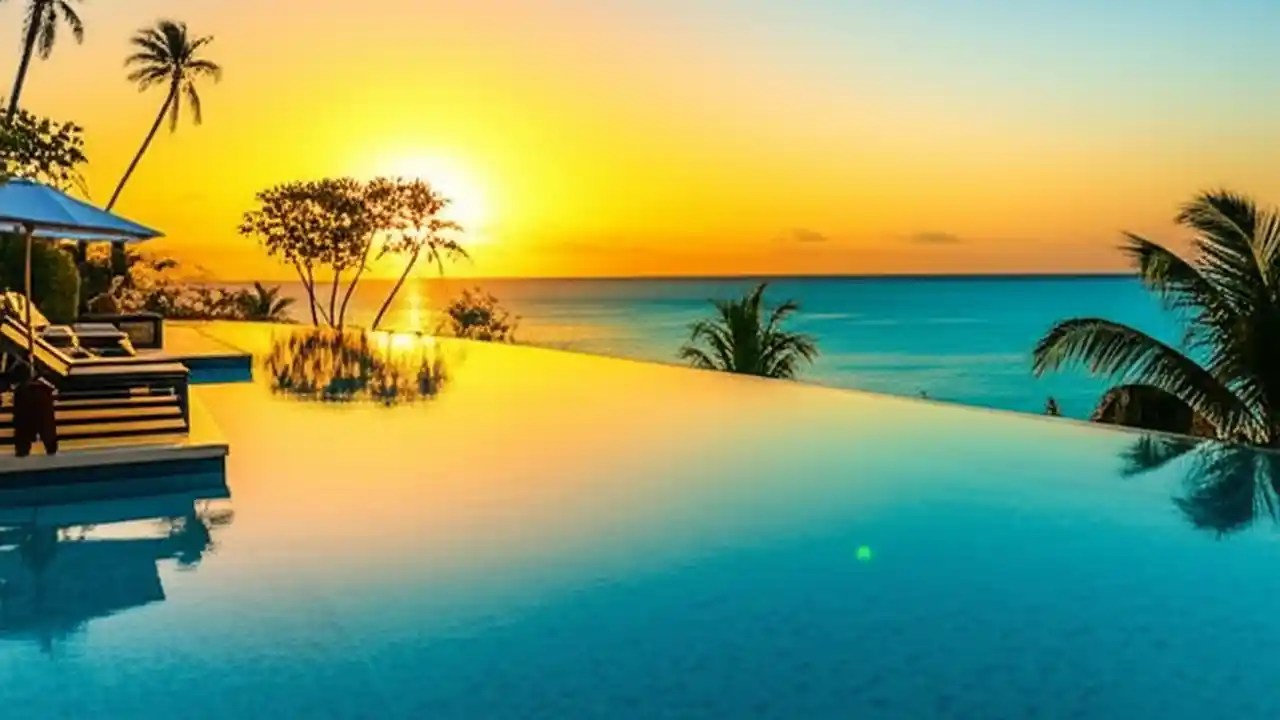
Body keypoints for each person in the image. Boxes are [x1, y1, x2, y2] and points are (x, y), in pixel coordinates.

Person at [11, 362, 57, 457]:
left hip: (38, 394)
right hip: (27, 394)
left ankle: (49, 447)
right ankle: (23, 449)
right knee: (26, 427)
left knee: (45, 426)